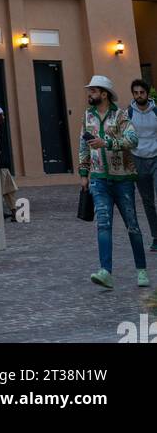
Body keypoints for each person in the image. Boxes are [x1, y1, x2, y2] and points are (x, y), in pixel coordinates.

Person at [79, 74, 149, 290]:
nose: (89, 94)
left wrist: (107, 142)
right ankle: (105, 272)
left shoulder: (120, 116)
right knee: (103, 224)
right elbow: (83, 145)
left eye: (93, 90)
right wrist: (84, 172)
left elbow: (133, 140)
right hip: (99, 179)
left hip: (122, 179)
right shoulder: (87, 116)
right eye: (89, 90)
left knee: (132, 226)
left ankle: (141, 270)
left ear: (104, 94)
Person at [128, 78, 157, 252]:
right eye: (136, 93)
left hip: (156, 157)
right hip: (138, 159)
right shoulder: (128, 114)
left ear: (147, 93)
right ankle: (156, 236)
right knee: (148, 201)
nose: (139, 96)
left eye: (142, 92)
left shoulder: (156, 111)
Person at [0, 105, 18, 221]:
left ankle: (14, 212)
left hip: (4, 164)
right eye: (1, 115)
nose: (3, 117)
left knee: (10, 189)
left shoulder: (1, 128)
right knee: (1, 190)